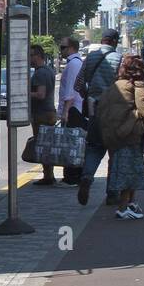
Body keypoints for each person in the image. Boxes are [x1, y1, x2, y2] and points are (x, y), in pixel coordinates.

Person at [96, 53, 144, 219]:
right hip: (129, 135)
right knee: (129, 173)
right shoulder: (138, 86)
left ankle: (130, 204)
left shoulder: (114, 86)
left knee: (124, 170)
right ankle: (123, 208)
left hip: (113, 135)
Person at [74, 29, 122, 205]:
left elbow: (78, 84)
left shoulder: (91, 57)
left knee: (94, 148)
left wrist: (88, 97)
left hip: (95, 111)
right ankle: (112, 193)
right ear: (115, 42)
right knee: (114, 153)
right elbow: (122, 86)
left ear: (102, 40)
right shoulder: (118, 59)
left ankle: (86, 177)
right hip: (113, 112)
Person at [29, 43, 57, 186]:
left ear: (38, 56)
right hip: (49, 112)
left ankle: (48, 177)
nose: (28, 58)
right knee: (47, 145)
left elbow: (40, 94)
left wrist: (24, 93)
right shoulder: (49, 70)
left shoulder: (40, 73)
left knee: (42, 145)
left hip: (42, 114)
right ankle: (49, 175)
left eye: (31, 55)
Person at [57, 36, 84, 184]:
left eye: (63, 48)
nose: (60, 51)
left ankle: (72, 176)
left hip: (73, 111)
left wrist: (65, 112)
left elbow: (70, 91)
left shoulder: (73, 64)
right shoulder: (75, 63)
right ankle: (72, 175)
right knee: (72, 143)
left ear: (71, 48)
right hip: (74, 110)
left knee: (71, 144)